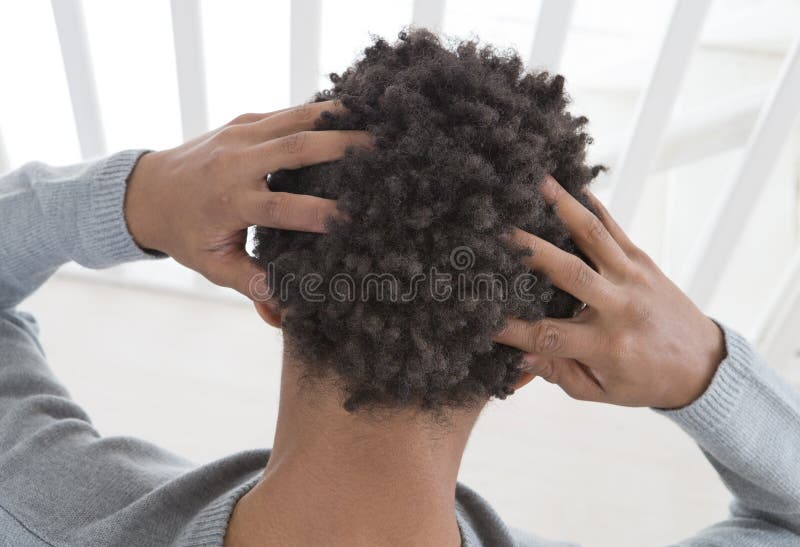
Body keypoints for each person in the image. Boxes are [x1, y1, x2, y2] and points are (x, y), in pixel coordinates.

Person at [1, 30, 798, 547]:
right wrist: (704, 368)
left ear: (271, 293)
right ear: (527, 364)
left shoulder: (42, 506)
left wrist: (135, 198)